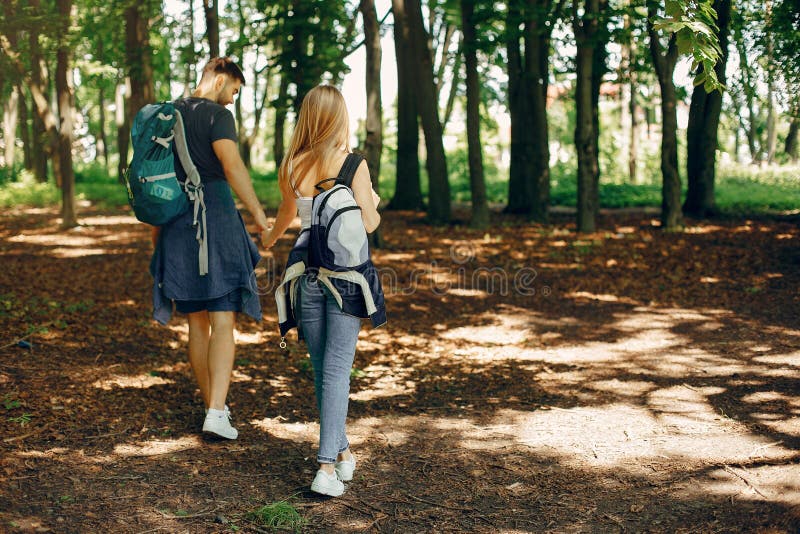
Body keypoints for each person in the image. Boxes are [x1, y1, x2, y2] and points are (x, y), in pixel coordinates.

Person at [263, 85, 383, 496]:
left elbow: (284, 217)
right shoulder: (353, 164)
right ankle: (326, 468)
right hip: (346, 280)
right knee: (334, 372)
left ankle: (343, 452)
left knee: (323, 371)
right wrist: (373, 204)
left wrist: (267, 237)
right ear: (339, 119)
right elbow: (369, 224)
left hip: (302, 275)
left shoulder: (292, 166)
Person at [149, 57, 270, 440]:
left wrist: (158, 239)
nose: (233, 99)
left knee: (196, 322)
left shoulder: (166, 116)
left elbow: (156, 181)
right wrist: (259, 215)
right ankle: (216, 411)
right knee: (222, 317)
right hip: (214, 218)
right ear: (219, 79)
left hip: (176, 224)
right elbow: (232, 168)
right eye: (234, 90)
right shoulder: (217, 116)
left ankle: (213, 409)